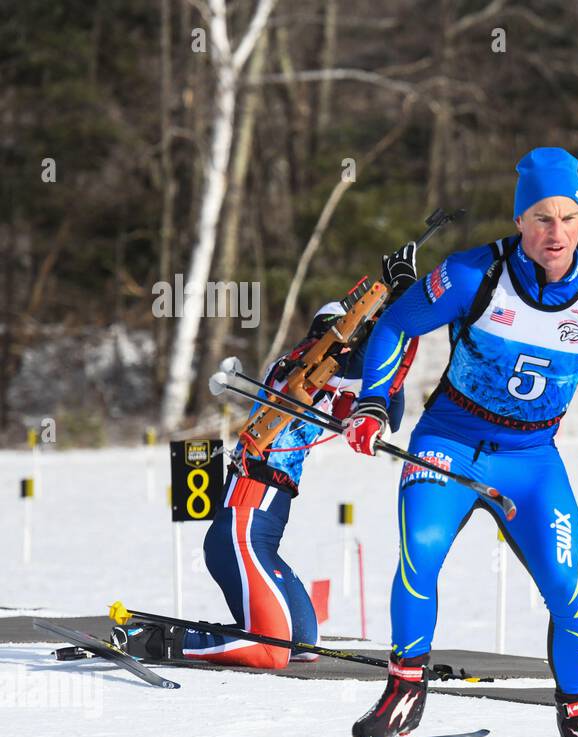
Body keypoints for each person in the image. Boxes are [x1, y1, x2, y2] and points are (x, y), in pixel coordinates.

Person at [344, 147, 578, 737]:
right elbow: (396, 324)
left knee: (569, 588)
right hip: (448, 442)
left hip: (530, 461)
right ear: (521, 220)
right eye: (542, 219)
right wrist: (371, 403)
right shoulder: (473, 274)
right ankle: (403, 690)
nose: (557, 234)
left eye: (568, 219)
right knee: (419, 553)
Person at [115, 252, 419, 668]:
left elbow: (391, 411)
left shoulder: (331, 389)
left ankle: (220, 634)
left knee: (303, 645)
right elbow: (355, 360)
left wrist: (396, 333)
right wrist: (398, 303)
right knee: (272, 651)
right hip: (241, 527)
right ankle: (153, 641)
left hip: (265, 536)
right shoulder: (295, 370)